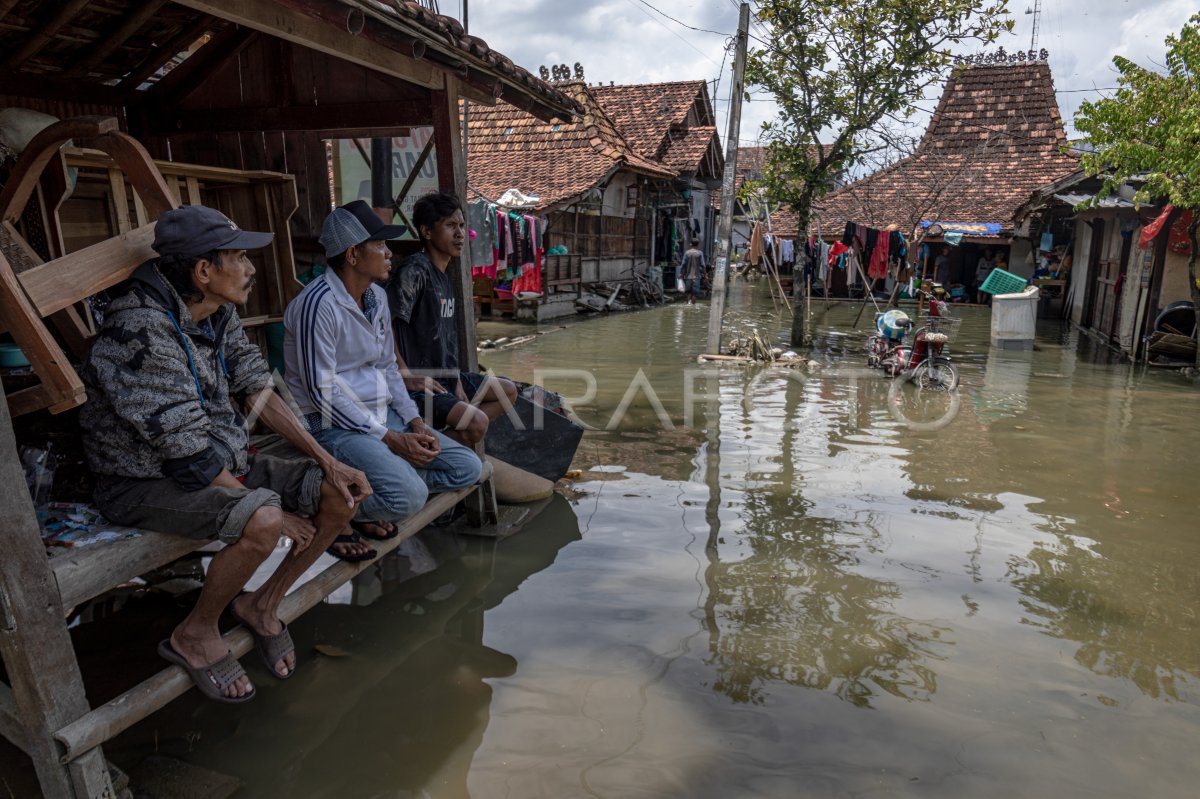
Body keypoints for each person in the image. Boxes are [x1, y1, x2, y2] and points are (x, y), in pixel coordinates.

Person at [81, 205, 369, 702]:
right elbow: (186, 454)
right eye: (238, 256)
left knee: (343, 493)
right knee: (260, 519)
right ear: (203, 271)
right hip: (143, 481)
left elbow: (258, 388)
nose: (251, 267)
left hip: (219, 460)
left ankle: (262, 604)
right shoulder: (140, 330)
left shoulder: (216, 311)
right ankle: (194, 632)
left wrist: (329, 461)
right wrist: (272, 513)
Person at [283, 203, 482, 553]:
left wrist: (416, 422)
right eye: (380, 246)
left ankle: (377, 491)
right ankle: (336, 513)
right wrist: (389, 439)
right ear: (353, 255)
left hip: (382, 416)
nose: (390, 254)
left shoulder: (375, 296)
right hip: (331, 425)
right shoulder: (318, 304)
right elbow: (321, 392)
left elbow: (388, 367)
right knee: (409, 497)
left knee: (468, 467)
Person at [387, 192, 518, 444]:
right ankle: (431, 446)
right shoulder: (414, 271)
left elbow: (447, 338)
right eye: (450, 225)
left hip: (445, 377)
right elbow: (384, 325)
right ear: (426, 232)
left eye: (461, 225)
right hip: (420, 384)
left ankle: (439, 440)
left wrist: (457, 380)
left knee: (507, 391)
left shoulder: (444, 278)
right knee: (477, 424)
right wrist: (404, 375)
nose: (460, 234)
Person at [679, 239, 706, 304]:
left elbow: (683, 265)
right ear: (698, 244)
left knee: (688, 293)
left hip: (688, 277)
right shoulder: (700, 253)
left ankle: (688, 306)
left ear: (691, 244)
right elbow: (703, 265)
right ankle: (692, 307)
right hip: (696, 277)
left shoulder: (687, 253)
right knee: (694, 294)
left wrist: (681, 274)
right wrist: (705, 275)